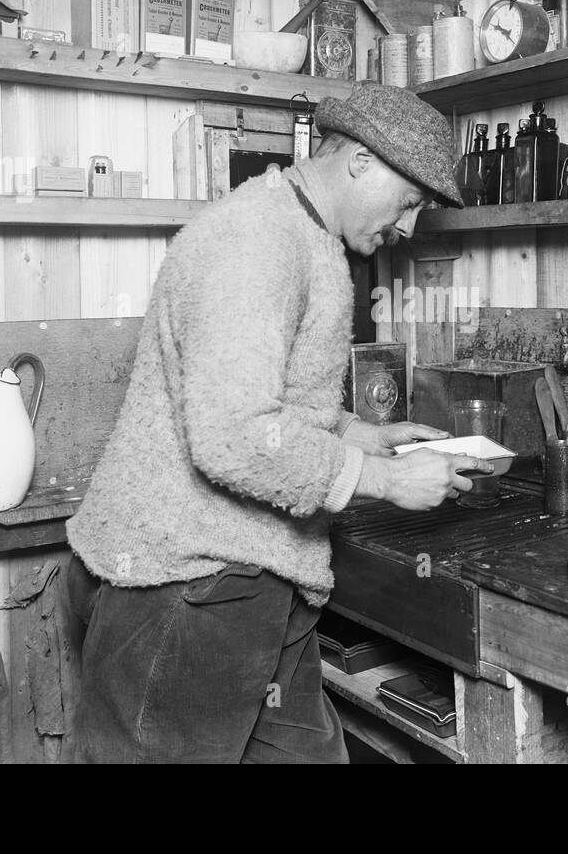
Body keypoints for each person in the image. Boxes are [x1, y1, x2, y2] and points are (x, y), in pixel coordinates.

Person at [65, 82, 492, 763]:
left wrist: (357, 433)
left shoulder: (311, 236)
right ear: (359, 161)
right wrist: (382, 477)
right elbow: (233, 432)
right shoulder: (253, 241)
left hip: (259, 581)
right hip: (186, 585)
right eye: (409, 201)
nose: (409, 227)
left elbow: (277, 400)